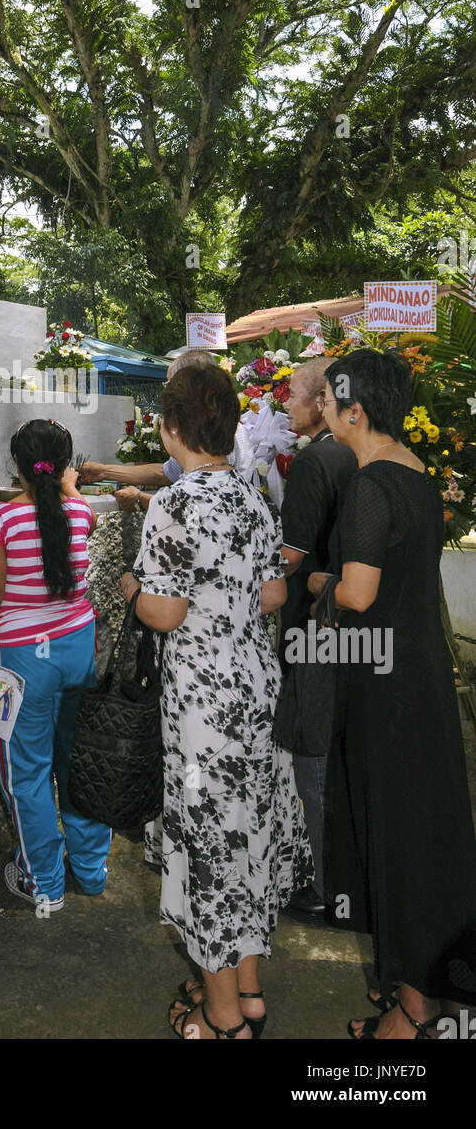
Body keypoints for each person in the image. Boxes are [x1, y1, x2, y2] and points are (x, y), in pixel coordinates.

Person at [122, 363, 312, 1040]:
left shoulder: (175, 502)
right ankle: (248, 990)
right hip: (257, 688)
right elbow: (271, 596)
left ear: (171, 427)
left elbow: (165, 613)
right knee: (250, 834)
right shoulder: (251, 493)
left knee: (207, 844)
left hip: (204, 707)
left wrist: (128, 589)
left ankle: (222, 1016)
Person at [310, 347, 476, 1039]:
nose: (318, 410)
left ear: (354, 410)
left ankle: (412, 1014)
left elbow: (356, 590)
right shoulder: (412, 471)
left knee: (399, 835)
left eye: (324, 400)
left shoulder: (370, 482)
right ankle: (431, 999)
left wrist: (316, 585)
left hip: (386, 688)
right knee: (427, 831)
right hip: (419, 678)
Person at [0, 418, 111, 912]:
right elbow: (84, 514)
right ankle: (91, 870)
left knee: (25, 773)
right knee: (78, 761)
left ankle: (44, 882)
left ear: (17, 466)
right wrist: (70, 487)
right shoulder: (78, 511)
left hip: (18, 661)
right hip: (77, 646)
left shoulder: (0, 522)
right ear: (65, 466)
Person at [279, 357, 357, 921]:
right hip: (358, 626)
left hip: (316, 625)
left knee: (314, 759)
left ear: (322, 399)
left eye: (293, 396)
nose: (285, 405)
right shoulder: (363, 453)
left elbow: (294, 556)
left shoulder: (316, 461)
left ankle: (330, 889)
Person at [82, 350, 254, 512]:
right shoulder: (198, 442)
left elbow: (203, 508)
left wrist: (143, 499)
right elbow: (164, 473)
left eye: (170, 385)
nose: (167, 393)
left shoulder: (219, 436)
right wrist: (103, 471)